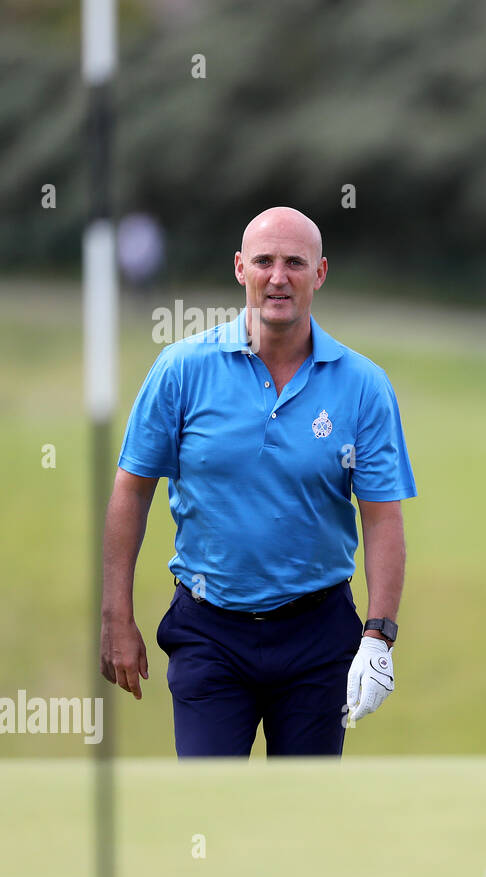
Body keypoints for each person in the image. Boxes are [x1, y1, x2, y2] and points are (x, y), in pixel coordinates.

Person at [99, 207, 416, 757]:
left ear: (319, 273)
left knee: (304, 815)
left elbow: (382, 515)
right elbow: (132, 490)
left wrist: (379, 635)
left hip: (318, 635)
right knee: (206, 804)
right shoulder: (181, 369)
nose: (278, 277)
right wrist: (115, 615)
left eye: (295, 262)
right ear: (240, 269)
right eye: (264, 262)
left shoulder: (363, 384)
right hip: (208, 630)